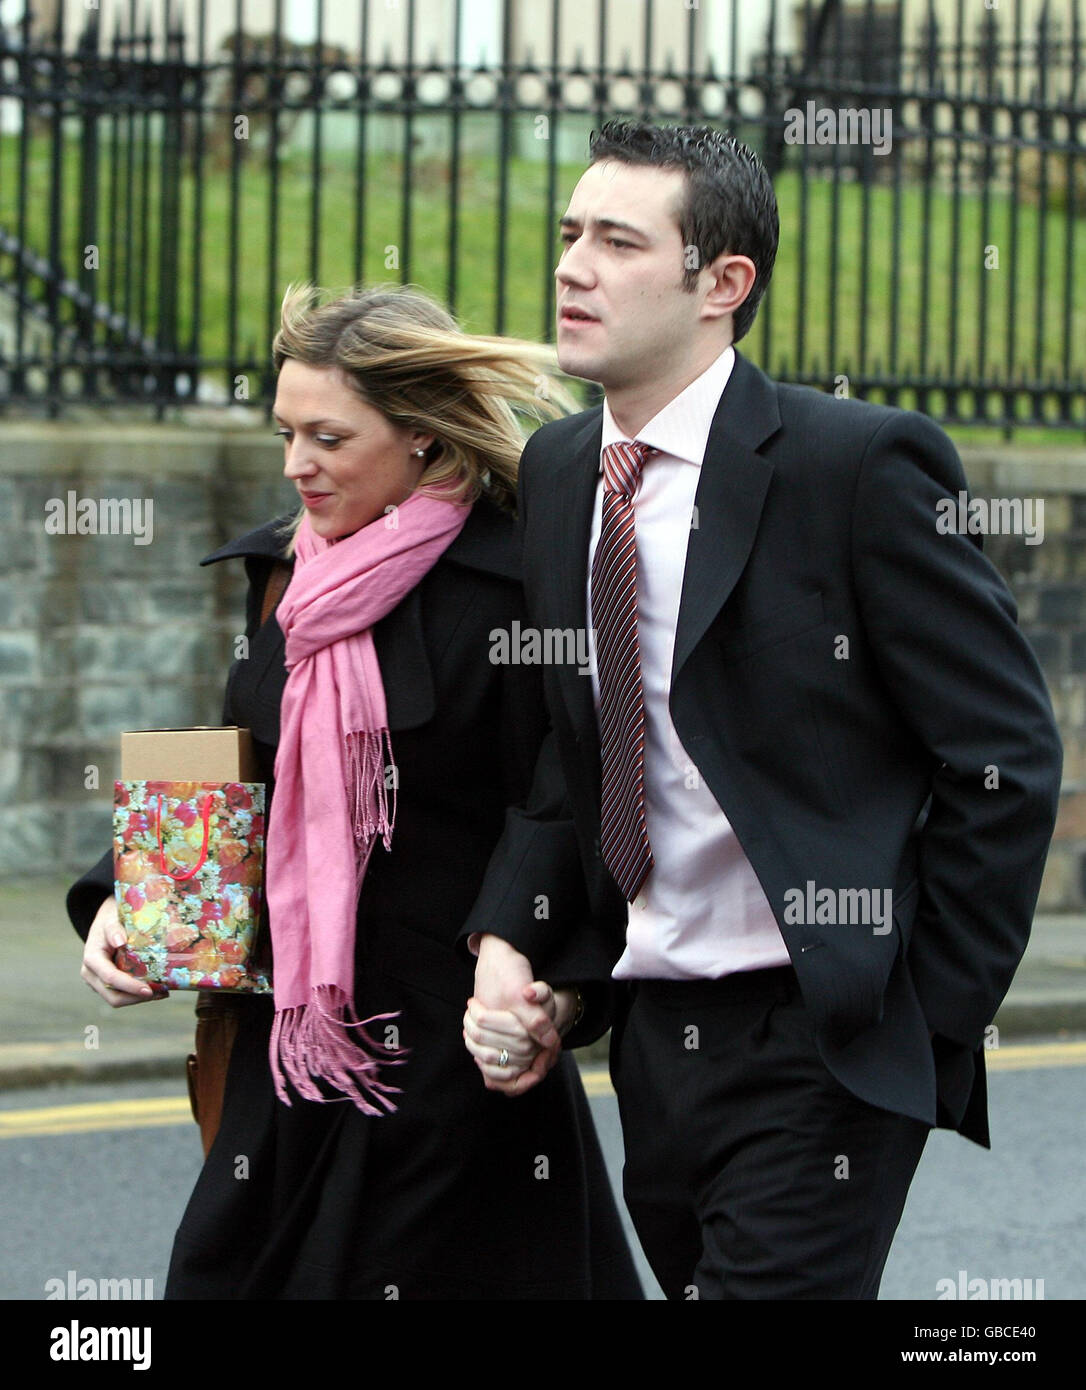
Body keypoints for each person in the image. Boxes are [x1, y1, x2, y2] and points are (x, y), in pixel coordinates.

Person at [461, 119, 1063, 1299]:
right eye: (571, 232)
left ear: (722, 284)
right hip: (655, 1032)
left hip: (821, 1037)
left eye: (619, 241)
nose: (572, 265)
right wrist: (513, 941)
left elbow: (1004, 756)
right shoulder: (557, 473)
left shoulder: (857, 465)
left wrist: (922, 1014)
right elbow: (568, 754)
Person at [67, 283, 643, 1301]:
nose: (297, 464)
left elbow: (567, 801)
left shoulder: (514, 591)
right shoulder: (287, 572)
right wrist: (129, 898)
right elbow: (247, 763)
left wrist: (551, 976)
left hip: (447, 1084)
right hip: (286, 1066)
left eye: (329, 437)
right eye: (286, 431)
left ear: (422, 436)